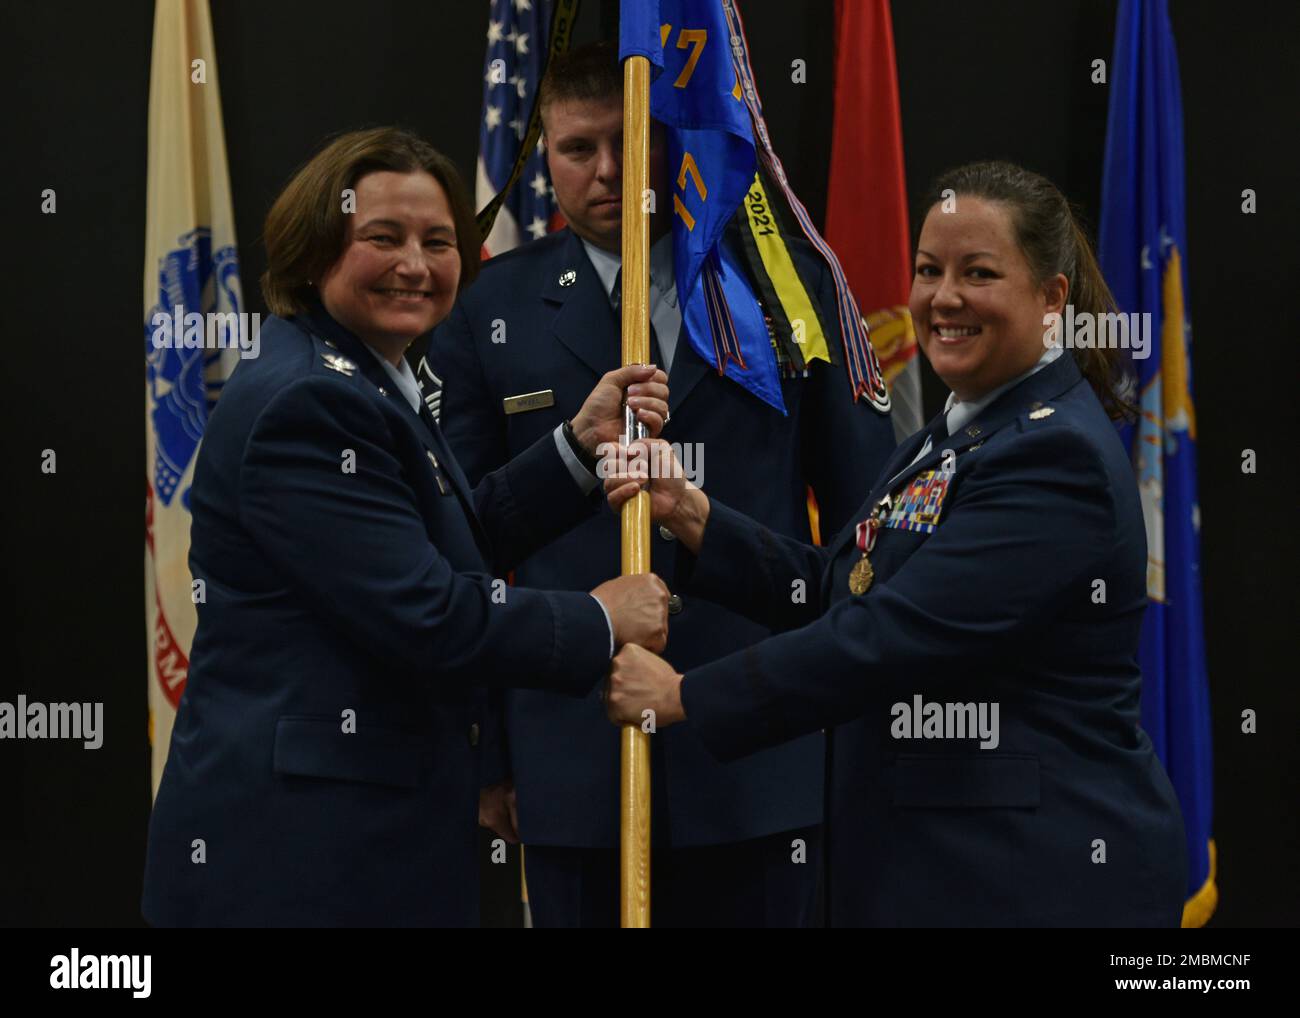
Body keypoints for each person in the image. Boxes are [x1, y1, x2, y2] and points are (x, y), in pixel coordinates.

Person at [604, 161, 1188, 927]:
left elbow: (892, 635)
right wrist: (694, 514)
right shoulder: (964, 428)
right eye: (928, 270)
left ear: (1052, 300)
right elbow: (848, 587)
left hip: (1024, 876)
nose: (944, 298)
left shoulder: (1056, 458)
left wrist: (683, 697)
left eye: (979, 273)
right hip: (935, 867)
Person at [141, 127, 671, 927]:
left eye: (439, 241)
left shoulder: (356, 372)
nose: (416, 265)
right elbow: (426, 611)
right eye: (382, 239)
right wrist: (600, 618)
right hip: (304, 866)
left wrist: (574, 449)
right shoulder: (310, 402)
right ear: (314, 248)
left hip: (355, 846)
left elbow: (431, 543)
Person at [428, 42, 896, 927]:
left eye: (629, 141)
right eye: (577, 149)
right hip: (574, 756)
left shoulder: (788, 279)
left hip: (766, 751)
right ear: (543, 159)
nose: (608, 172)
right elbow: (464, 547)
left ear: (673, 140)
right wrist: (490, 748)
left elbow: (866, 535)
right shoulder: (488, 309)